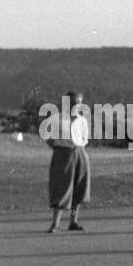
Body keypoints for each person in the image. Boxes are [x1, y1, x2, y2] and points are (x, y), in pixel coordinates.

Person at [47, 90, 91, 233]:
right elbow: (48, 137)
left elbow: (85, 138)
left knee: (79, 188)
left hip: (79, 153)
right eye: (73, 102)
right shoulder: (57, 119)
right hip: (63, 153)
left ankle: (73, 221)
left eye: (79, 102)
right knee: (61, 188)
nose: (76, 105)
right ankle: (55, 224)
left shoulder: (82, 120)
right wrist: (59, 147)